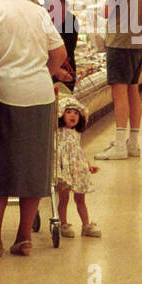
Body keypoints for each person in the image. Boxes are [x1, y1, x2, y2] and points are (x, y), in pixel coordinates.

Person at [0, 0, 70, 257]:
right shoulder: (38, 12)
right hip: (40, 95)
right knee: (33, 168)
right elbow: (60, 52)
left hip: (1, 96)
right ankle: (24, 238)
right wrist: (45, 74)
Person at [96, 0, 142, 160]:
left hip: (120, 42)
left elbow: (108, 12)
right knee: (133, 91)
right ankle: (132, 143)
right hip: (137, 40)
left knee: (119, 93)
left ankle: (119, 145)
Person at [55, 96, 100, 238]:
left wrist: (88, 165)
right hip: (65, 169)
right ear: (62, 114)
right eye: (69, 112)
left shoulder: (77, 133)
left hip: (78, 169)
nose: (73, 115)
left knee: (81, 199)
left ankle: (86, 225)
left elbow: (78, 150)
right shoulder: (58, 131)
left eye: (76, 113)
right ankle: (63, 224)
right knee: (64, 199)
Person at [44, 0, 79, 92]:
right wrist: (56, 70)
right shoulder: (41, 20)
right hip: (46, 69)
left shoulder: (70, 20)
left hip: (66, 70)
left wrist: (58, 69)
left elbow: (68, 48)